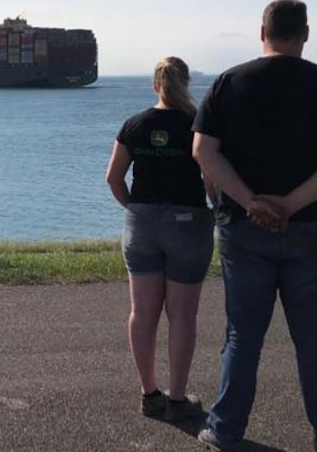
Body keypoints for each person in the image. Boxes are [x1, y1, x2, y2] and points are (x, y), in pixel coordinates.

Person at [192, 0, 317, 452]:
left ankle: (225, 430)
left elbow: (203, 152)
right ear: (305, 33)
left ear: (261, 32)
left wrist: (252, 201)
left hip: (243, 230)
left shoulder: (228, 83)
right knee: (313, 342)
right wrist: (291, 204)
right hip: (316, 230)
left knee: (241, 337)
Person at [105, 56, 213, 423]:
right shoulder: (198, 124)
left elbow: (113, 178)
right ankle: (178, 400)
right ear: (186, 84)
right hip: (188, 222)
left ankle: (149, 394)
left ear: (155, 85)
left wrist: (136, 209)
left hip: (142, 223)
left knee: (142, 312)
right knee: (181, 314)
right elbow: (212, 180)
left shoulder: (134, 125)